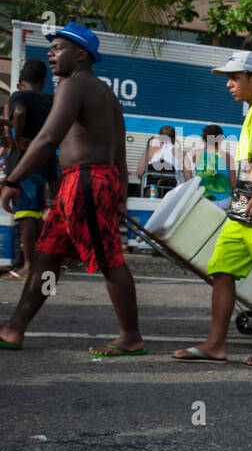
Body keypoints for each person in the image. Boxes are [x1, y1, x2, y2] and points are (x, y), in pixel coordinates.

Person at [0, 24, 145, 355]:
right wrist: (119, 193)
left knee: (108, 258)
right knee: (47, 256)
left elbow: (49, 138)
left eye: (58, 48)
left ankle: (130, 337)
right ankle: (13, 329)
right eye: (50, 48)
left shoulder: (73, 84)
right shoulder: (106, 93)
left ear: (81, 54)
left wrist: (12, 180)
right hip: (85, 182)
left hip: (86, 181)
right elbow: (120, 152)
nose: (50, 53)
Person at [173, 50, 252, 367]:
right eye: (227, 79)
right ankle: (216, 344)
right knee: (221, 268)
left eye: (234, 78)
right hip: (247, 203)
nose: (229, 84)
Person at [0, 59, 59, 279]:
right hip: (46, 159)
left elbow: (21, 113)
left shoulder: (20, 96)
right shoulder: (50, 100)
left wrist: (18, 136)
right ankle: (38, 261)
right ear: (44, 81)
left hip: (27, 160)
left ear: (22, 80)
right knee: (37, 212)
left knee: (25, 212)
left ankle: (28, 266)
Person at [185, 124, 235, 209]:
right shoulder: (228, 157)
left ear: (203, 138)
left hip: (203, 200)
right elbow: (233, 183)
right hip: (224, 201)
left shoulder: (194, 154)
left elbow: (188, 180)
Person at [134, 125, 179, 194]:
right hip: (170, 192)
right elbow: (188, 178)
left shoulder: (149, 150)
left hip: (151, 189)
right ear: (175, 139)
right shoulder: (181, 153)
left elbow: (139, 173)